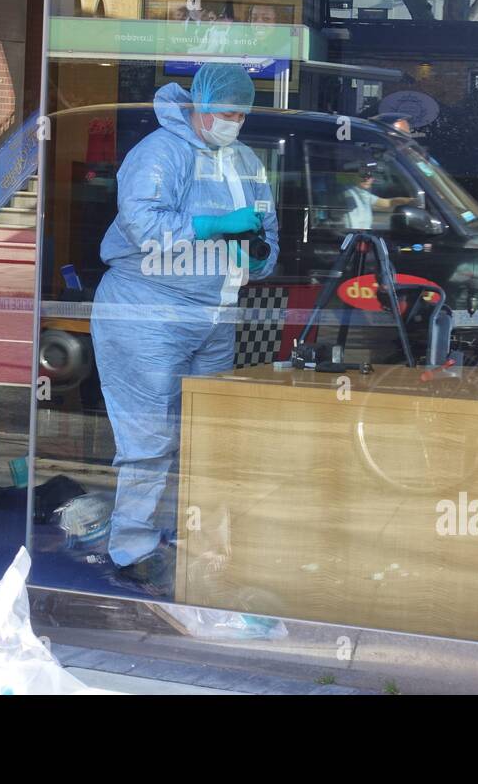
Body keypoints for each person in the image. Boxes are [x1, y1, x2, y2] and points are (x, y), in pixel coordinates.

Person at [90, 63, 279, 590]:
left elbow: (267, 225)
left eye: (241, 114)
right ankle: (132, 548)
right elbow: (143, 225)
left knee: (206, 436)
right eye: (225, 113)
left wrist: (260, 255)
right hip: (148, 308)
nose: (233, 122)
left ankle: (194, 538)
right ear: (198, 106)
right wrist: (213, 226)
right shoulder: (159, 153)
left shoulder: (244, 161)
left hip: (215, 313)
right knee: (148, 437)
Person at [342, 164, 417, 230]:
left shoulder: (364, 193)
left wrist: (410, 201)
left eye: (370, 176)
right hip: (347, 234)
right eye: (364, 175)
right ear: (354, 175)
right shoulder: (346, 191)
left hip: (362, 234)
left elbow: (387, 202)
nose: (368, 179)